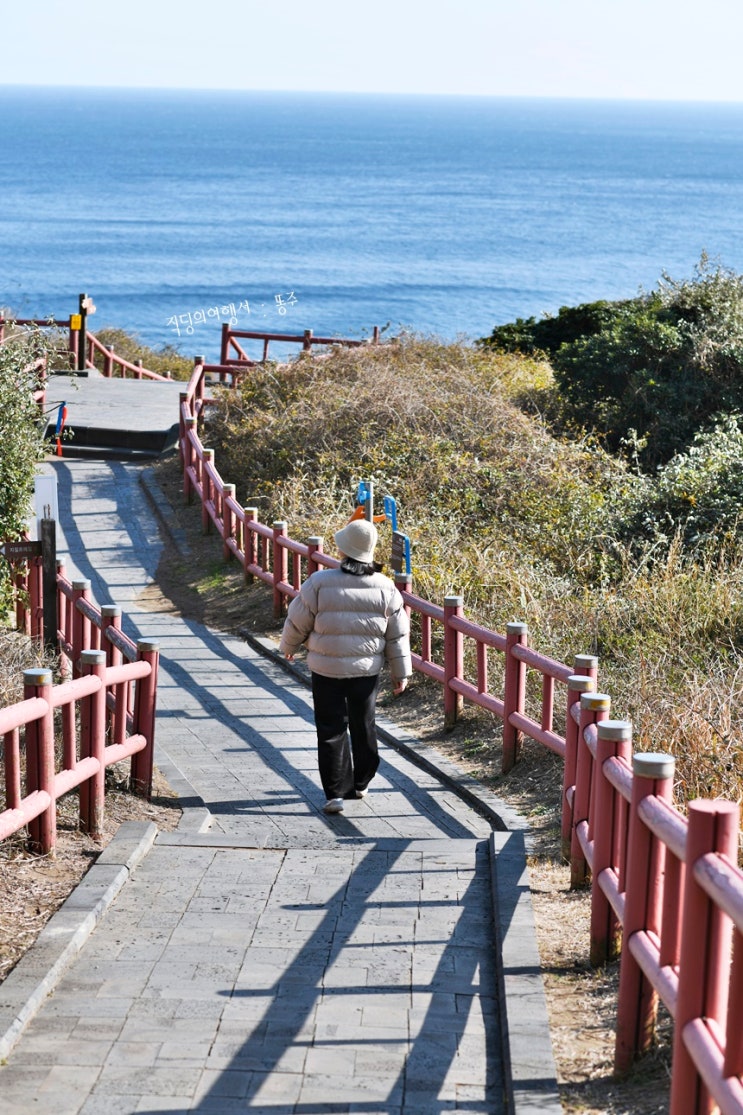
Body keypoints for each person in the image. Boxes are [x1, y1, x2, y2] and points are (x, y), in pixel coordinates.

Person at [279, 517, 412, 814]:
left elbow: (298, 619)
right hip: (365, 671)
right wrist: (400, 672)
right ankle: (361, 781)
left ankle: (335, 793)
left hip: (326, 669)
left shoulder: (319, 582)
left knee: (330, 727)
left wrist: (288, 647)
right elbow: (397, 634)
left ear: (343, 550)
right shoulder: (386, 587)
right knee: (363, 725)